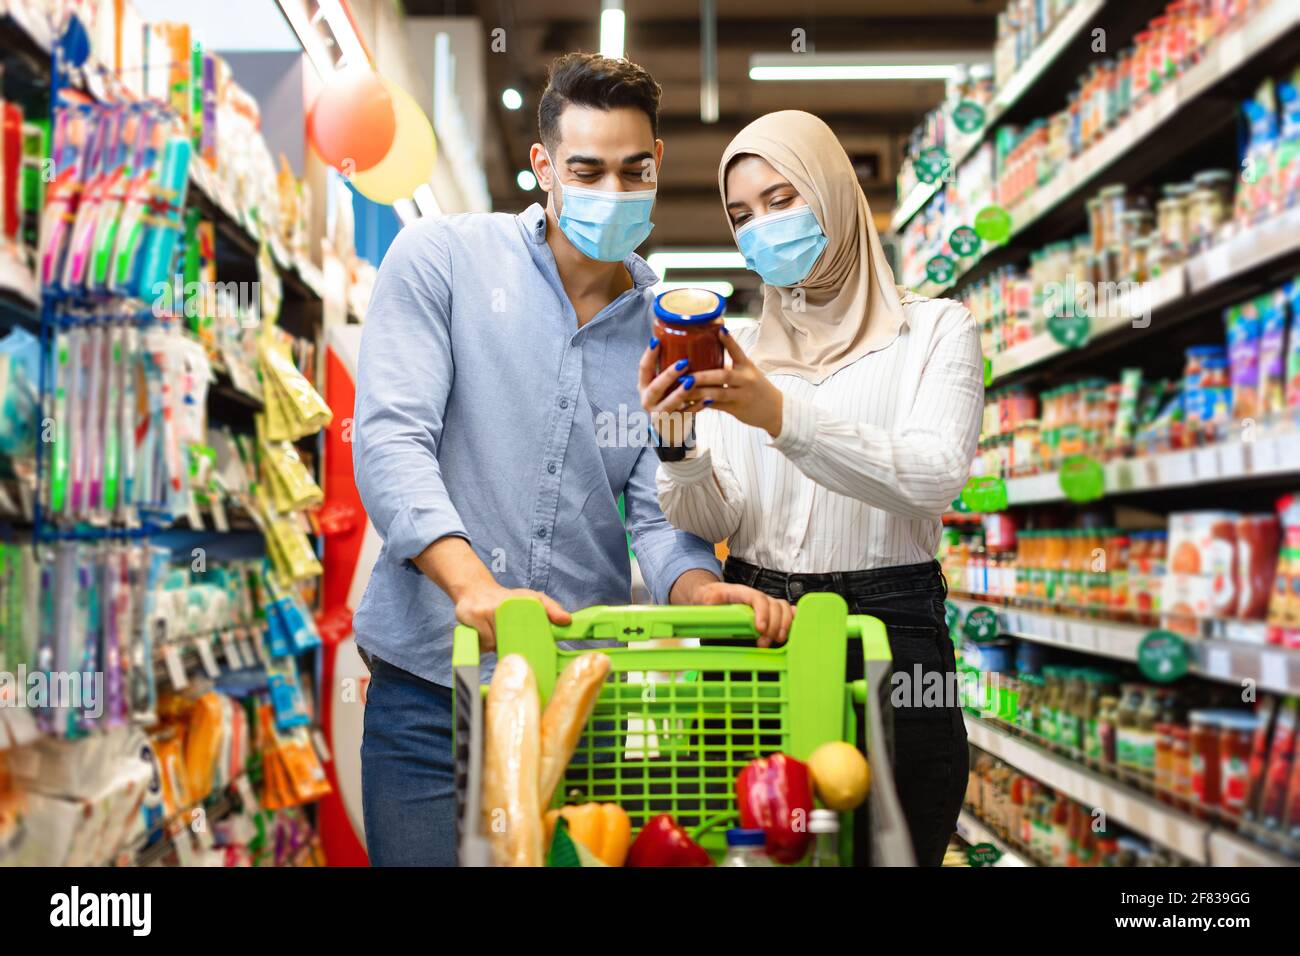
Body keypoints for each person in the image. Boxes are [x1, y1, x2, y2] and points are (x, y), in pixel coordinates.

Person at [350, 54, 792, 867]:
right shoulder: (442, 260)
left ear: (659, 166)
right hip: (428, 689)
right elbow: (390, 442)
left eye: (635, 171)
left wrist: (698, 585)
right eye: (587, 170)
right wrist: (472, 586)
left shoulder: (669, 326)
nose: (612, 193)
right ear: (544, 167)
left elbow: (655, 507)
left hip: (576, 690)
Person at [638, 110, 984, 866]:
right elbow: (716, 513)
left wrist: (782, 416)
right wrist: (676, 444)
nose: (762, 226)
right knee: (755, 851)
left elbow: (932, 477)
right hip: (754, 626)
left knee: (894, 848)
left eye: (782, 199)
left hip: (893, 634)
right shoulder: (742, 350)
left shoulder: (935, 332)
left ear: (833, 194)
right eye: (742, 215)